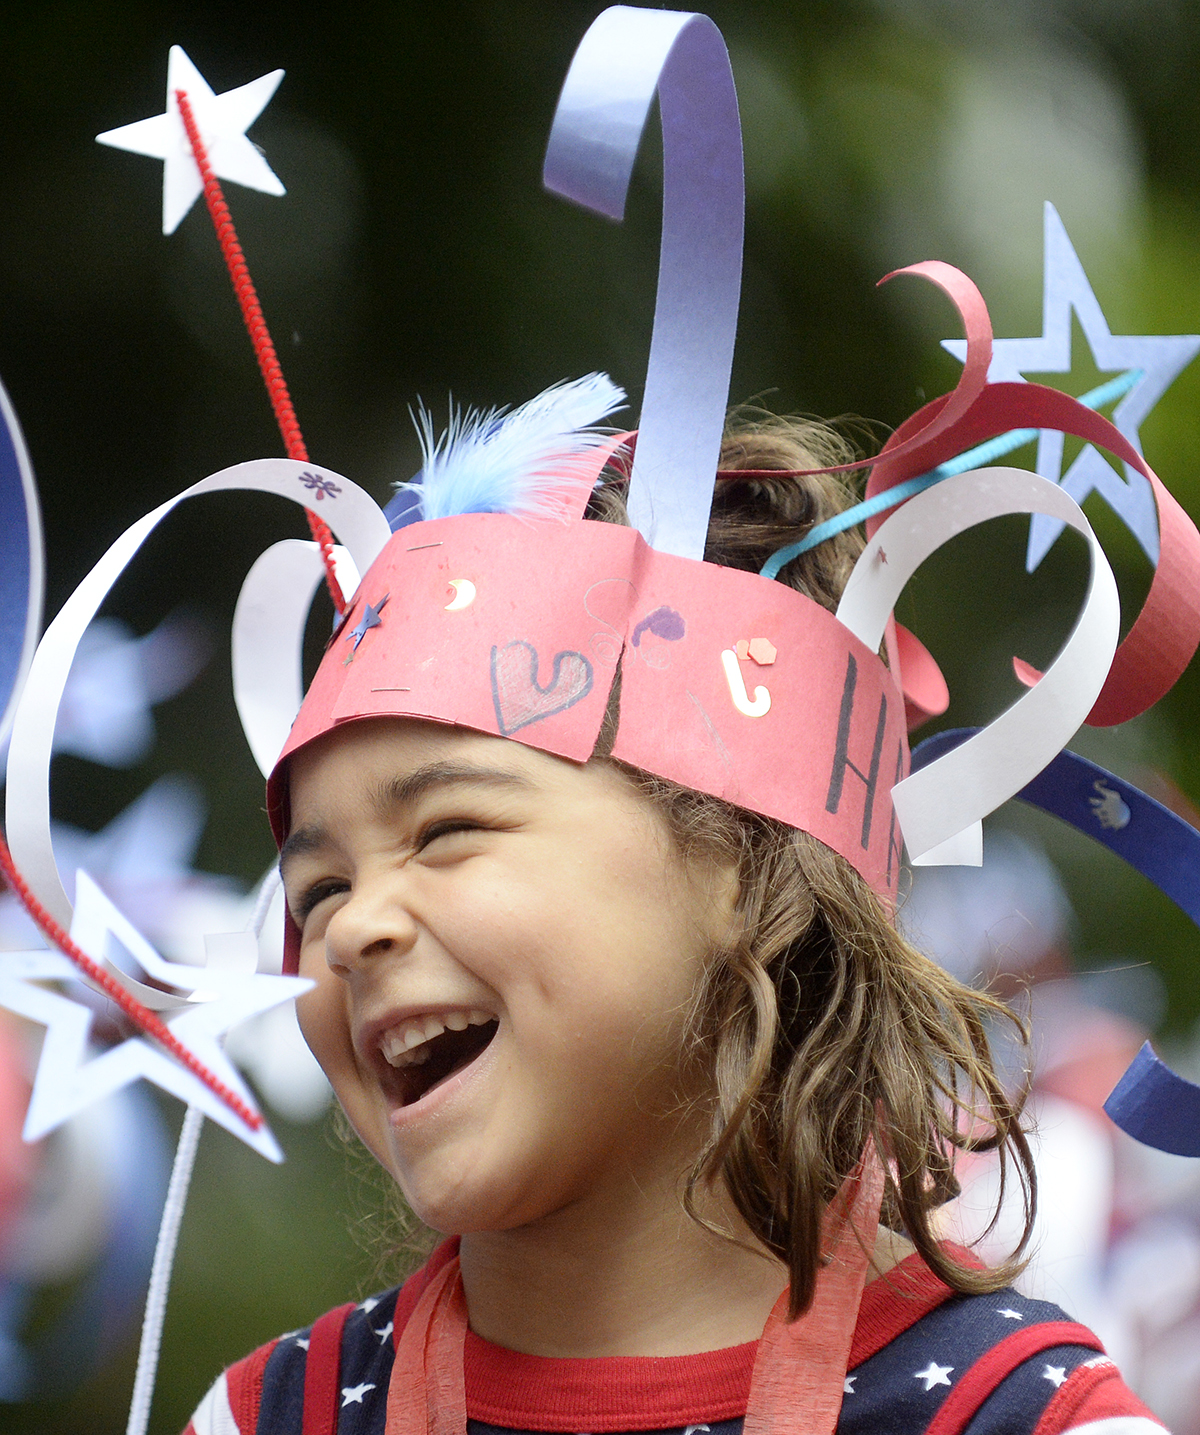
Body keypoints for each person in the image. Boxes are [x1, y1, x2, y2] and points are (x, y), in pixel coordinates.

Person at [182, 415, 1168, 1435]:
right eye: (317, 891)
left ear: (738, 858)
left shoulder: (1019, 1420)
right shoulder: (264, 1417)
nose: (352, 929)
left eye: (445, 830)